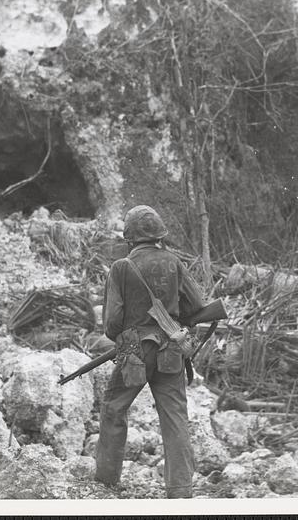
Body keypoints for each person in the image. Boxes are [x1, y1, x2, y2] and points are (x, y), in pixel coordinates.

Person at [95, 205, 206, 499]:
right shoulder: (175, 262)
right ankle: (180, 490)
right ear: (158, 235)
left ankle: (106, 482)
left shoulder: (121, 268)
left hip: (134, 354)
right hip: (171, 352)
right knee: (175, 418)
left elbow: (111, 324)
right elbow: (196, 306)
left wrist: (123, 337)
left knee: (114, 409)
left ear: (130, 238)